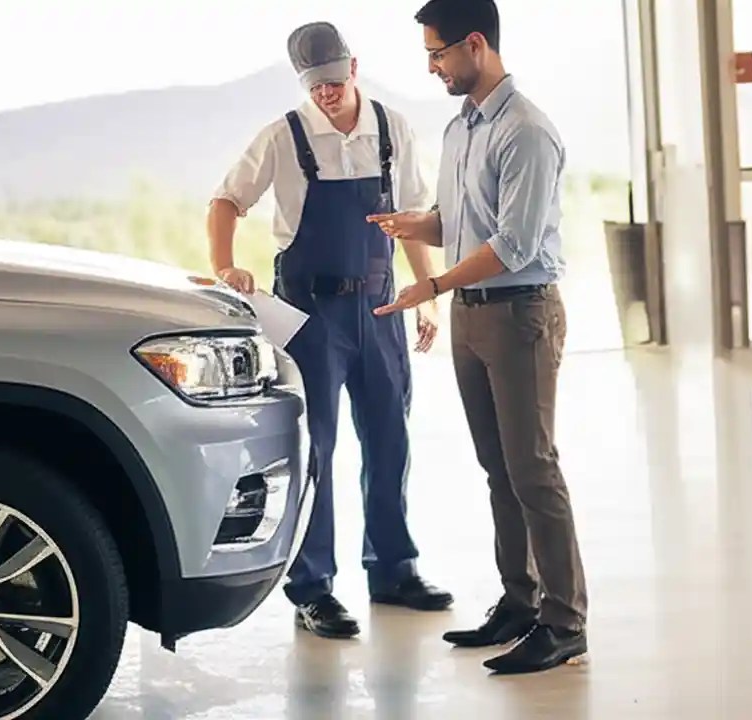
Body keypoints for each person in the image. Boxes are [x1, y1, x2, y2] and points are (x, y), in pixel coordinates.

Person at [206, 20, 453, 640]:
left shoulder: (393, 129)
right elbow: (225, 202)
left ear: (354, 68)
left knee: (390, 441)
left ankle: (394, 570)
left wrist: (425, 293)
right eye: (315, 87)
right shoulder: (282, 137)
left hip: (380, 308)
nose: (327, 95)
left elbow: (414, 220)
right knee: (317, 450)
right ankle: (313, 588)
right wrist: (224, 266)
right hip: (311, 319)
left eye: (334, 82)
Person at [370, 0, 589, 674]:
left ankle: (565, 621)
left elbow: (514, 243)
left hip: (519, 313)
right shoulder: (462, 128)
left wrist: (430, 287)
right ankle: (519, 604)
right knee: (499, 468)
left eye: (438, 53)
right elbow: (460, 221)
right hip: (473, 311)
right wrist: (416, 225)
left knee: (532, 468)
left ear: (475, 44)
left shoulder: (525, 131)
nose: (432, 66)